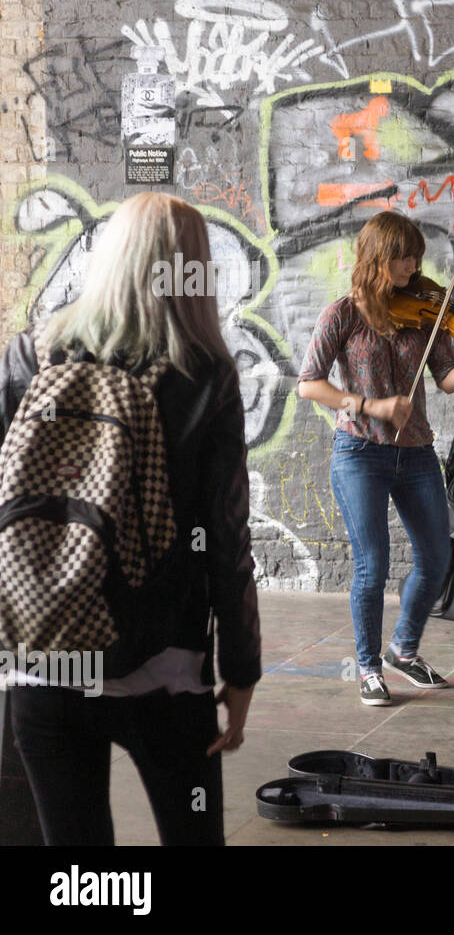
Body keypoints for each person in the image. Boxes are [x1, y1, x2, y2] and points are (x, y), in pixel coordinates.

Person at [0, 192, 260, 845]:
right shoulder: (205, 377)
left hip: (45, 659)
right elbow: (226, 542)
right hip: (164, 671)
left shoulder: (28, 357)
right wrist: (242, 671)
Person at [298, 212, 454, 706]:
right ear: (378, 257)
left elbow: (445, 379)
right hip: (359, 451)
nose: (414, 264)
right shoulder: (342, 314)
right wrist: (368, 405)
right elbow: (309, 382)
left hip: (416, 450)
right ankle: (368, 667)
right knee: (372, 565)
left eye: (416, 255)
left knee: (438, 557)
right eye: (403, 256)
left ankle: (405, 649)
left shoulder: (425, 311)